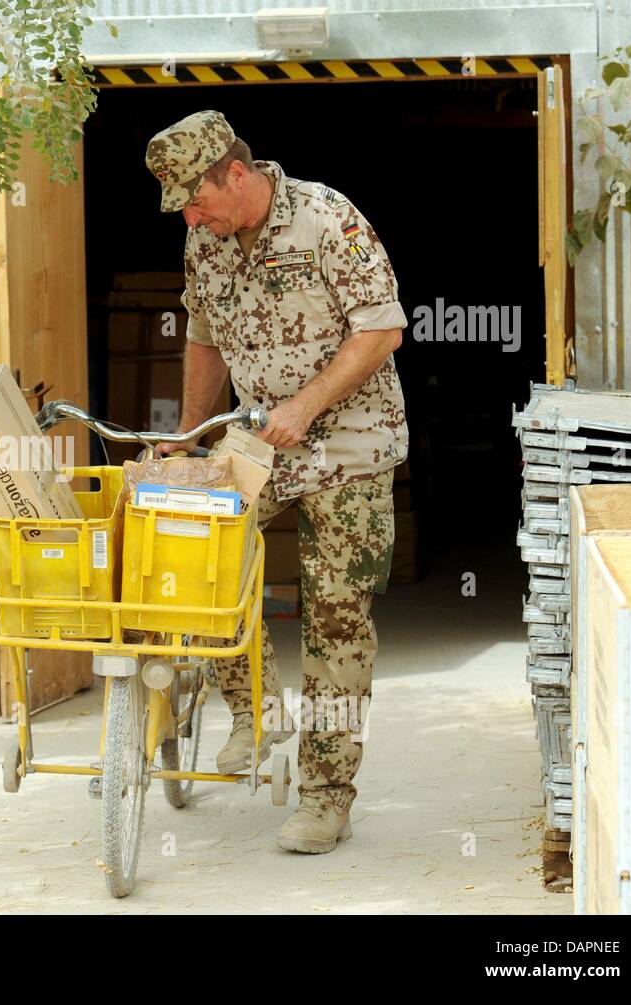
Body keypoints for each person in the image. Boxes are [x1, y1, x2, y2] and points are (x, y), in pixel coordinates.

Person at [145, 110, 407, 854]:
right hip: (259, 442)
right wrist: (188, 438)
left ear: (237, 172)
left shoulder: (328, 219)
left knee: (335, 621)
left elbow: (382, 330)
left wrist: (305, 405)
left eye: (197, 200)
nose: (192, 218)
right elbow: (201, 336)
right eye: (184, 210)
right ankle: (256, 710)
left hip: (350, 447)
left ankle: (326, 798)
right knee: (201, 563)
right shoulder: (205, 237)